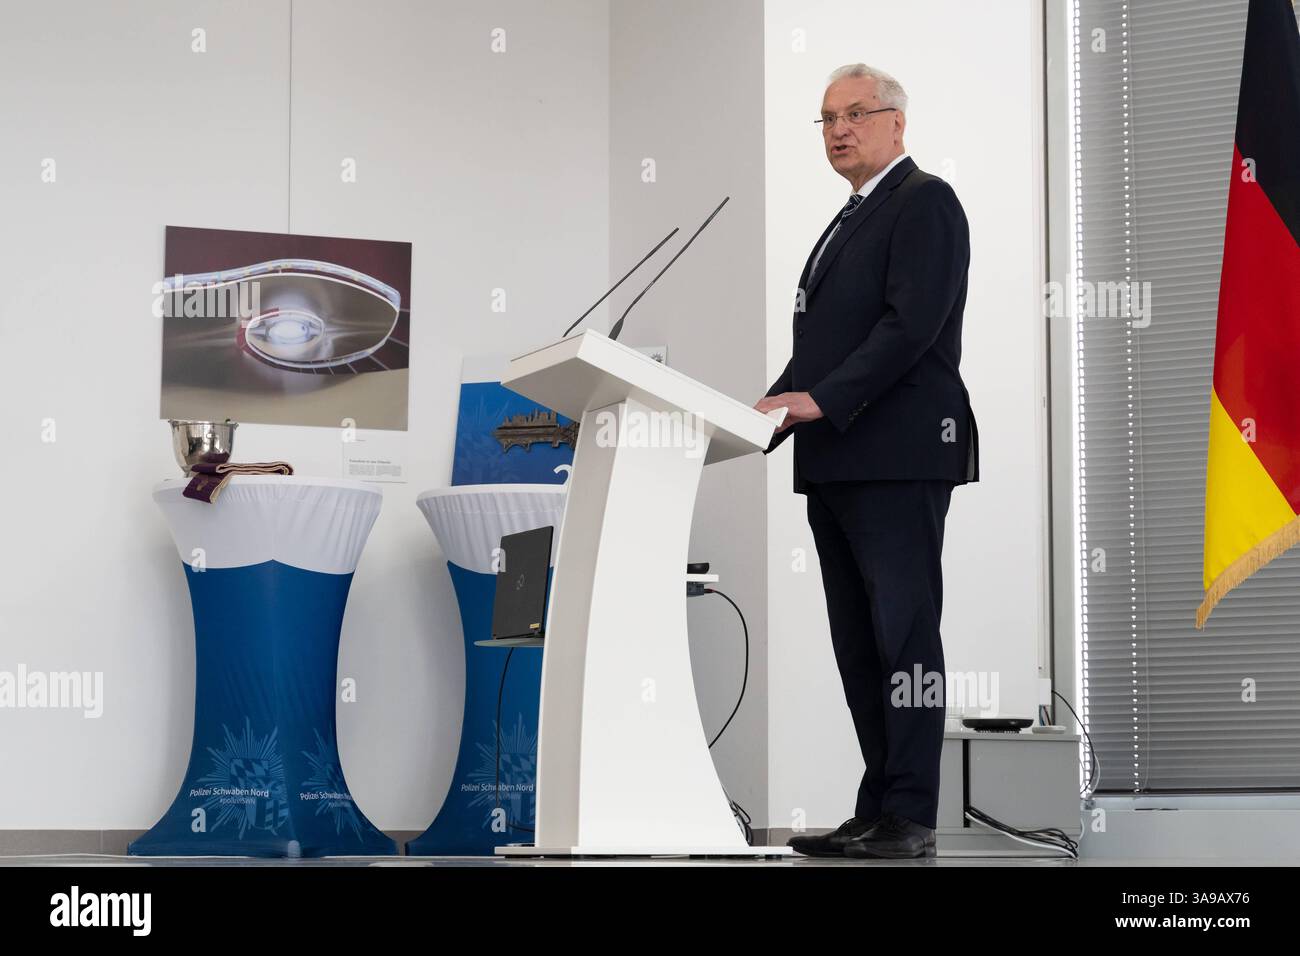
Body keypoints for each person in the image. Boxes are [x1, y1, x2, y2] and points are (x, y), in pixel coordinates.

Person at [755, 63, 978, 859]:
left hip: (898, 455)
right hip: (836, 461)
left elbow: (909, 327)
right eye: (827, 118)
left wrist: (818, 400)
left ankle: (911, 814)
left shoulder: (926, 202)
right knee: (857, 644)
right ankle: (877, 806)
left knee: (903, 637)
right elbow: (825, 349)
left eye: (855, 113)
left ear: (896, 123)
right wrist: (759, 414)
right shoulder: (849, 217)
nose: (839, 129)